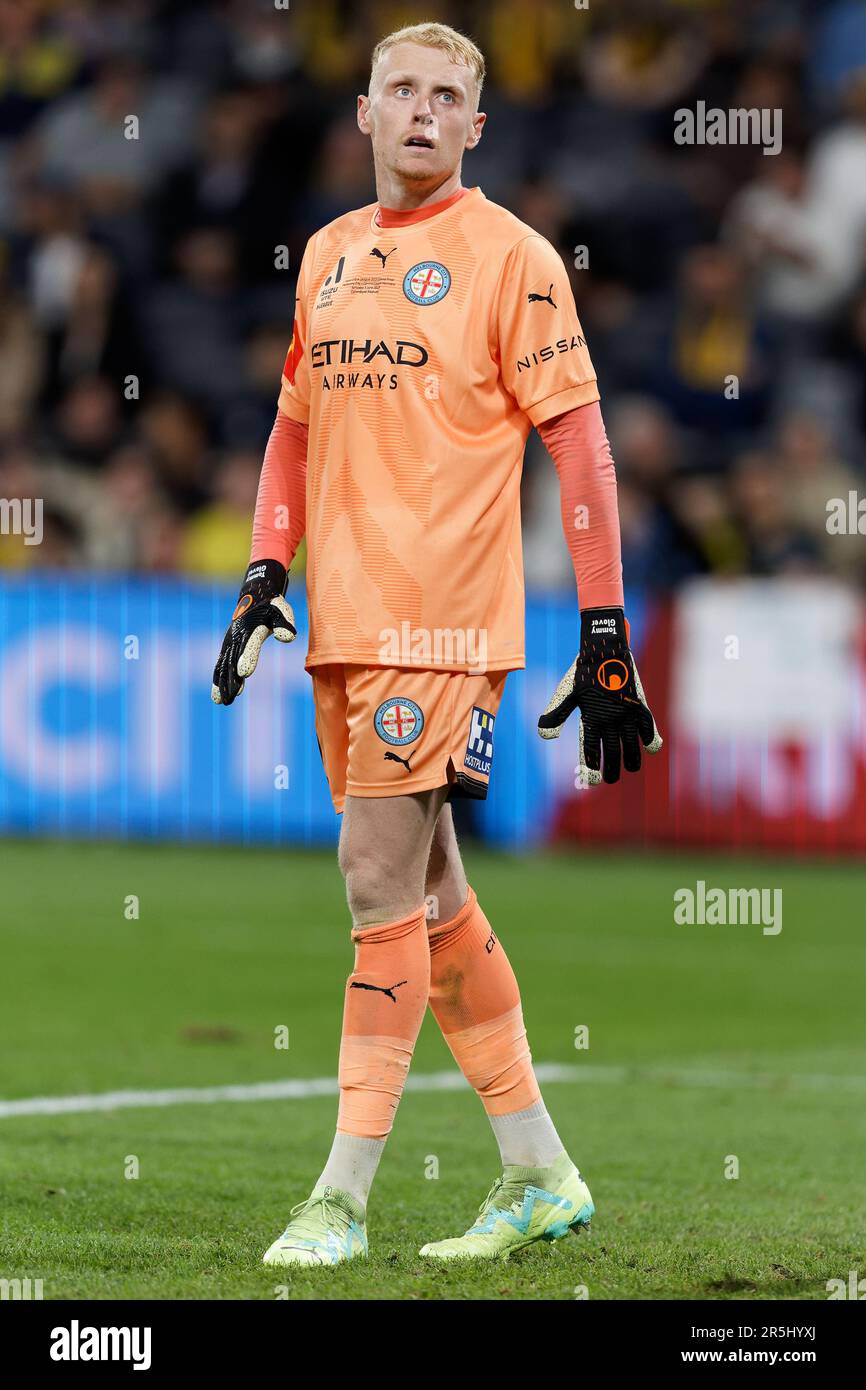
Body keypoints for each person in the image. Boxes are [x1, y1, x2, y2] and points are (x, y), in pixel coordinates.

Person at [211, 21, 661, 1266]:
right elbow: (292, 430)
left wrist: (604, 624)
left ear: (474, 126)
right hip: (347, 622)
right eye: (399, 90)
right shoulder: (328, 256)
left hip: (445, 620)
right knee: (430, 892)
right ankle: (538, 1172)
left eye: (445, 97)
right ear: (361, 112)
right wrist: (264, 568)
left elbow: (579, 447)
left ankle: (340, 1198)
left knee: (372, 875)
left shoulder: (511, 259)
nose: (419, 111)